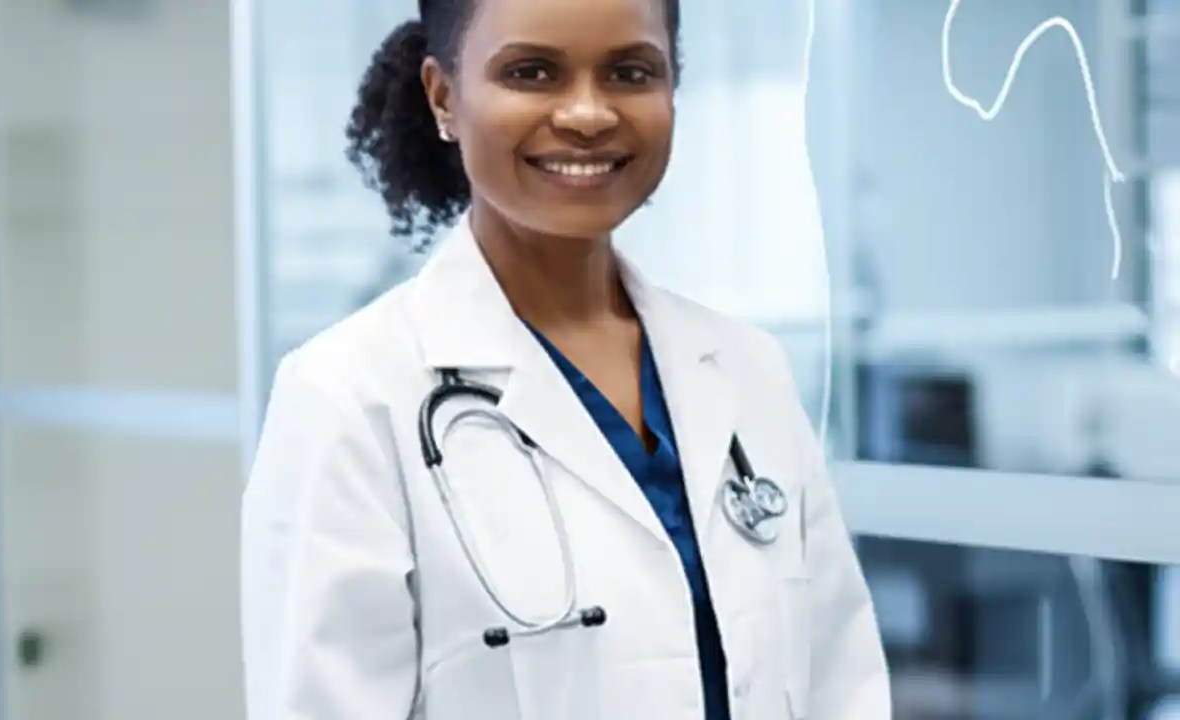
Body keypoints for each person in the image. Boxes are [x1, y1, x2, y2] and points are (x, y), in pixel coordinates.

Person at [240, 0, 891, 717]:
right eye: (532, 72)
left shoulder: (746, 369)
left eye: (630, 73)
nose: (587, 113)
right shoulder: (349, 397)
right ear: (444, 96)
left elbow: (842, 680)